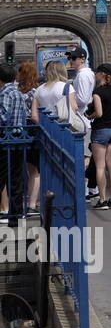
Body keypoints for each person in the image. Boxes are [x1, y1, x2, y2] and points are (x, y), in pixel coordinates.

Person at [88, 64, 111, 210]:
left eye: (96, 73)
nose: (95, 75)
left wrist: (90, 116)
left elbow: (99, 113)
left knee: (100, 167)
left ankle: (102, 200)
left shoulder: (98, 92)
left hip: (101, 130)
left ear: (102, 74)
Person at [0, 63, 31, 222]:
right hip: (18, 139)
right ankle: (16, 216)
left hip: (6, 140)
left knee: (2, 177)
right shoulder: (18, 93)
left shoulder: (5, 93)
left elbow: (3, 117)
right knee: (16, 180)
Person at [16, 60, 40, 215]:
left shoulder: (14, 91)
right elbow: (35, 116)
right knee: (34, 170)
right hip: (31, 130)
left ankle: (18, 202)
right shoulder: (35, 92)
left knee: (18, 167)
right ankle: (31, 204)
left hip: (15, 130)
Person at [66, 47, 95, 165]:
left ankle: (83, 182)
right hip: (83, 120)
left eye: (73, 58)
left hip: (82, 120)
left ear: (82, 59)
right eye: (69, 58)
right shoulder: (85, 74)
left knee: (84, 156)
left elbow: (82, 99)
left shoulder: (83, 75)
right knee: (84, 155)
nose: (71, 61)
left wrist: (69, 100)